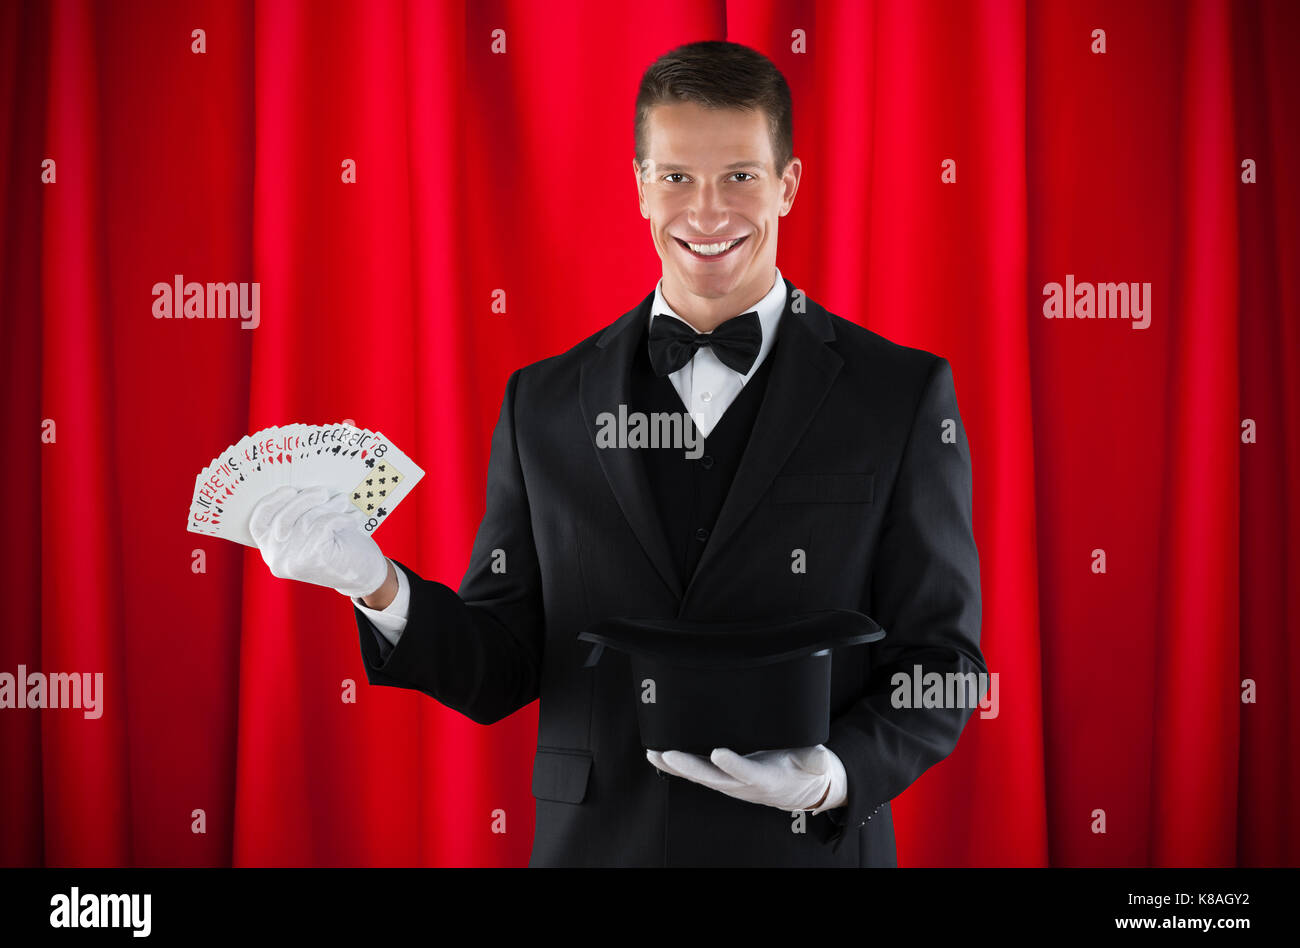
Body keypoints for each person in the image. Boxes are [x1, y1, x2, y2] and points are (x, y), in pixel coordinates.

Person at [250, 40, 985, 867]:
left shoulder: (901, 392)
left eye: (740, 175)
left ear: (788, 184)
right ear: (639, 186)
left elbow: (945, 664)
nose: (707, 212)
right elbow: (503, 663)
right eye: (676, 177)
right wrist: (378, 585)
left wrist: (835, 774)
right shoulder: (544, 401)